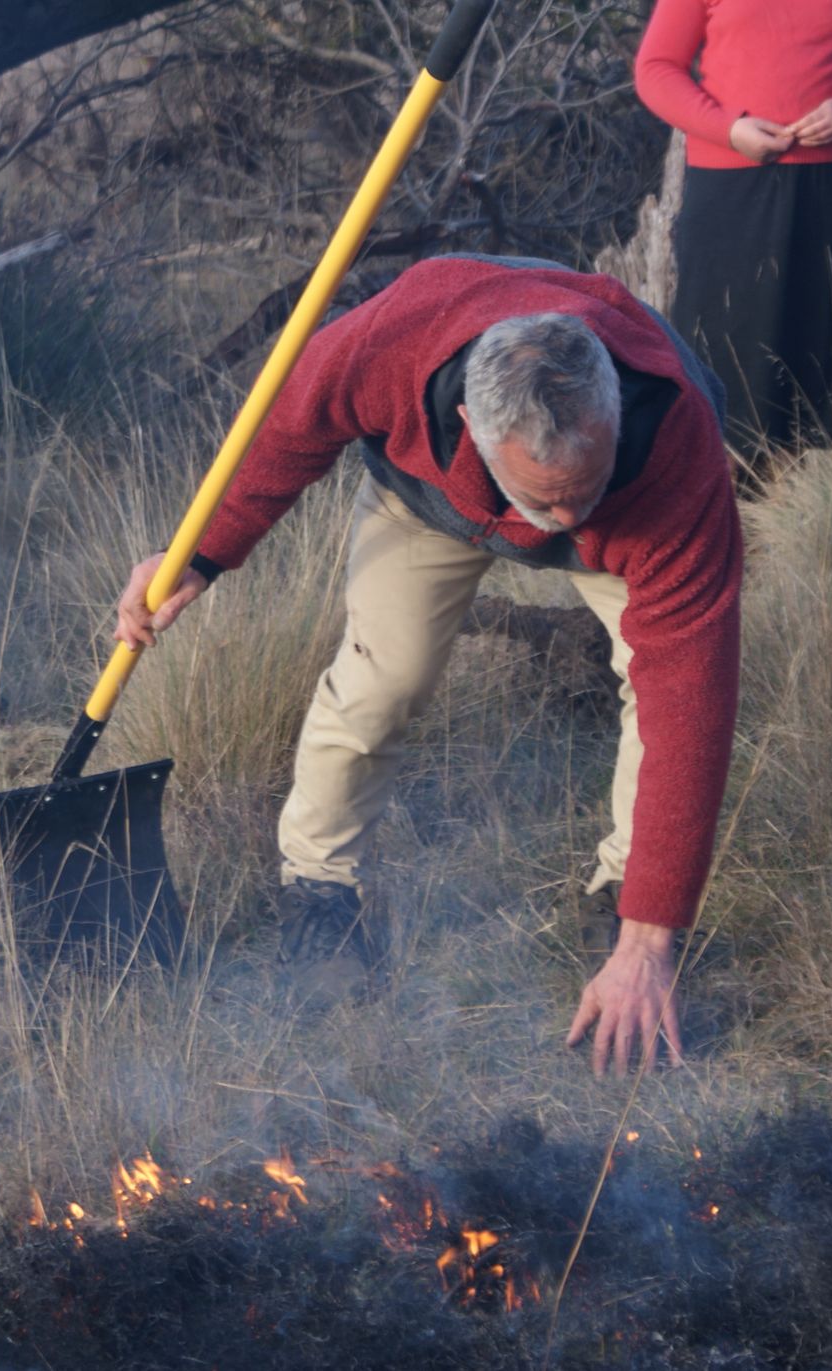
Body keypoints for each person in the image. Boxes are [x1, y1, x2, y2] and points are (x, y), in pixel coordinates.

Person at [113, 255, 742, 1077]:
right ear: (479, 431)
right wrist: (203, 550)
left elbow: (690, 706)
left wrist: (652, 938)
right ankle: (320, 895)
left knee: (652, 689)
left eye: (579, 486)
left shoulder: (672, 445)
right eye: (546, 498)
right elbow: (290, 422)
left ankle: (622, 916)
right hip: (426, 499)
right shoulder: (395, 341)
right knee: (384, 677)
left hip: (635, 520)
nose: (565, 514)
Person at [635, 0, 832, 481]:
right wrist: (728, 130)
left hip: (829, 191)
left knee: (805, 362)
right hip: (728, 189)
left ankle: (784, 519)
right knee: (723, 360)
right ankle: (717, 513)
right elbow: (655, 69)